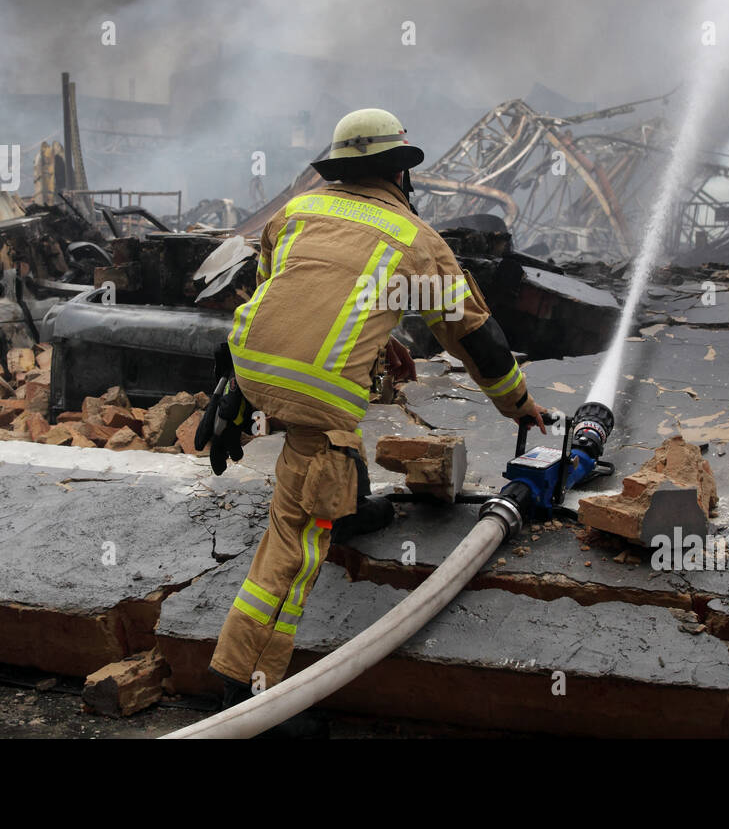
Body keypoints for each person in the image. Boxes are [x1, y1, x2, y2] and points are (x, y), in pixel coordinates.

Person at [197, 108, 546, 731]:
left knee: (344, 417)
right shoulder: (417, 241)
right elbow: (476, 340)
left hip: (247, 369)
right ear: (399, 173)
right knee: (297, 537)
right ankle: (243, 688)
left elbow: (286, 295)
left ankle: (350, 504)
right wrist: (518, 403)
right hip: (318, 395)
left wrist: (237, 380)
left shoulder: (298, 211)